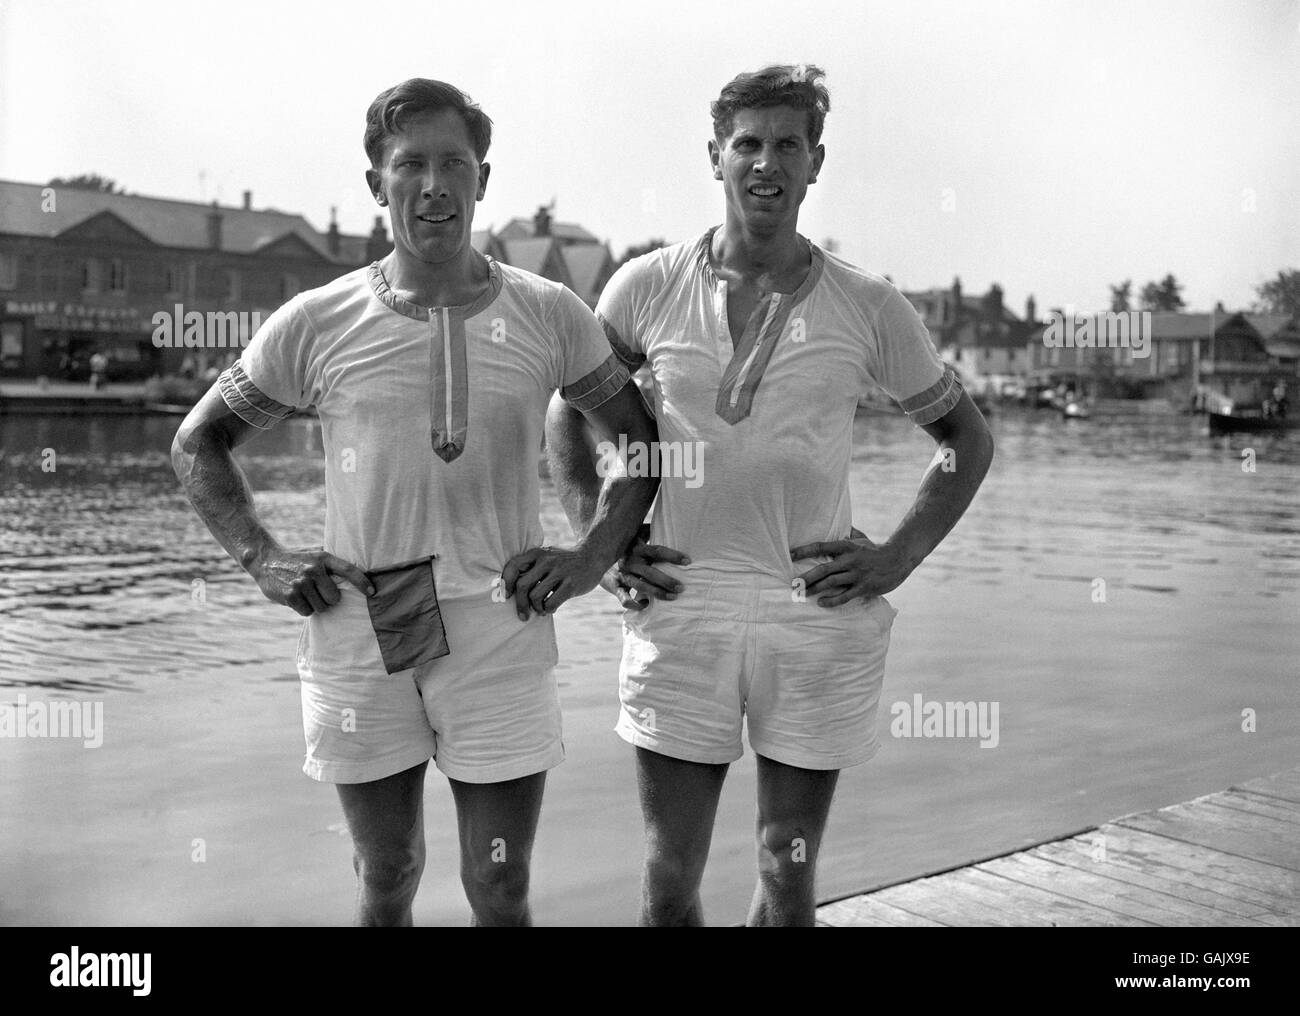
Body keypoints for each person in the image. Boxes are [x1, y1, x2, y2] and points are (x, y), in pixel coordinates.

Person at [172, 78, 658, 926]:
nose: (433, 185)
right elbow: (197, 442)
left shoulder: (549, 313)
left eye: (453, 165)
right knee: (387, 872)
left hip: (499, 617)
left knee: (499, 882)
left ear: (482, 180)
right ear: (376, 185)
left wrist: (590, 556)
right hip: (362, 619)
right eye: (410, 165)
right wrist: (262, 557)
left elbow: (641, 445)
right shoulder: (316, 321)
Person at [546, 64, 994, 926]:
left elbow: (965, 441)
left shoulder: (870, 306)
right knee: (669, 872)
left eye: (787, 144)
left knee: (786, 874)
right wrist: (597, 546)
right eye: (747, 143)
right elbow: (568, 413)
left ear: (815, 163)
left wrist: (895, 557)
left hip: (811, 608)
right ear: (715, 155)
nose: (765, 162)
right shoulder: (644, 287)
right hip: (682, 599)